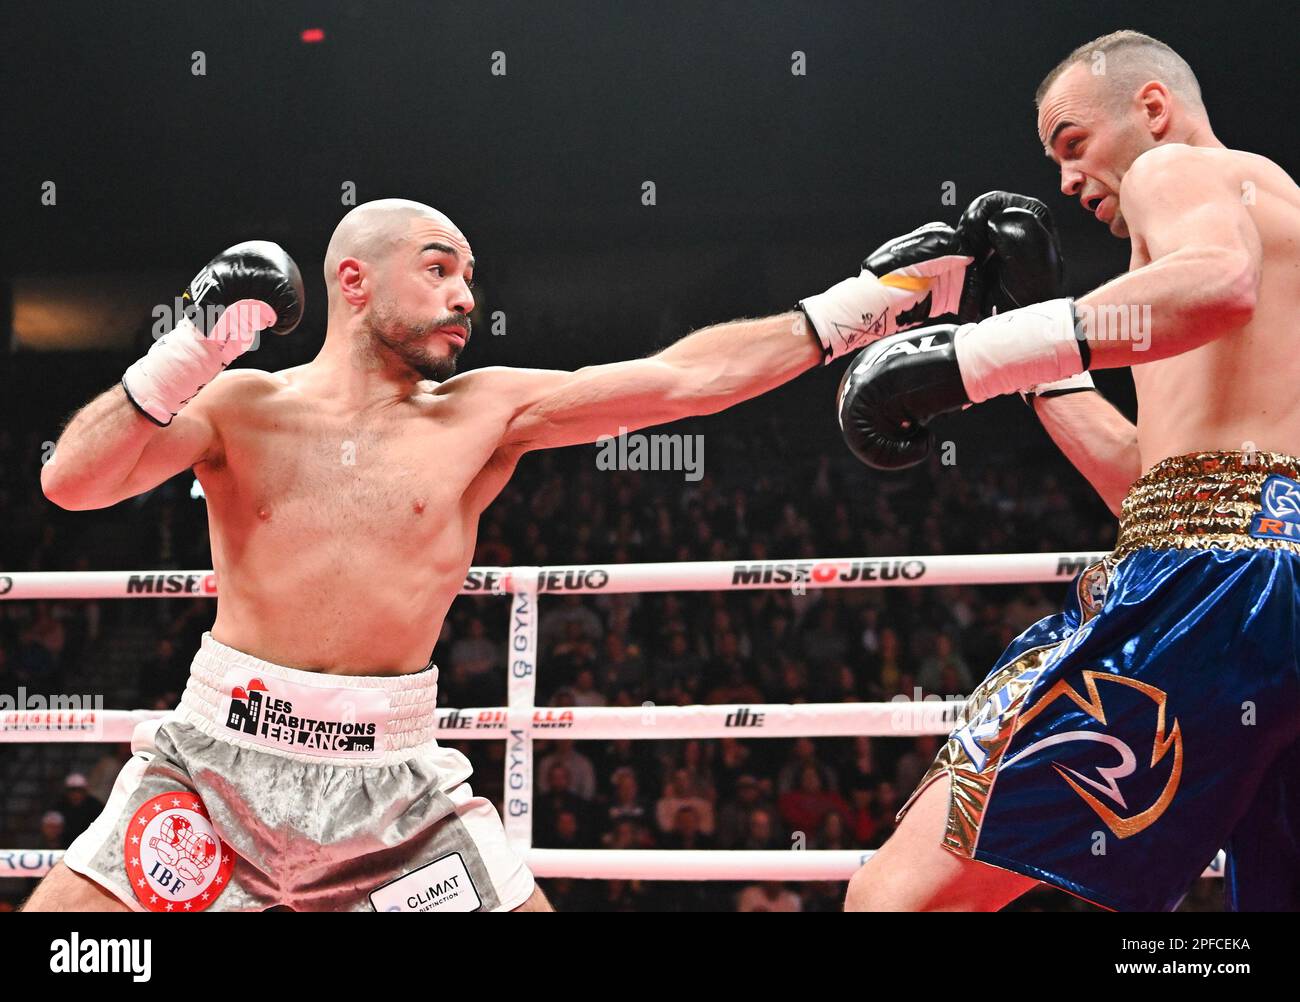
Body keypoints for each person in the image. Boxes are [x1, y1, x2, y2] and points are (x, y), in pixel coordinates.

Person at [28, 196, 1049, 912]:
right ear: (352, 279)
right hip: (214, 771)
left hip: (394, 797)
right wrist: (193, 343)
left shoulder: (487, 408)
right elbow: (75, 481)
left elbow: (681, 380)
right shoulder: (240, 404)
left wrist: (862, 305)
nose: (467, 294)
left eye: (471, 274)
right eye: (439, 267)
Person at [841, 30, 1300, 912]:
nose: (1065, 180)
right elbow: (1159, 490)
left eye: (1073, 144)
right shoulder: (1268, 213)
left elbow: (1219, 282)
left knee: (896, 899)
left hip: (1210, 592)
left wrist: (977, 357)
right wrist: (1045, 357)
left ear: (1153, 110)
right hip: (1258, 586)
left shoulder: (1179, 171)